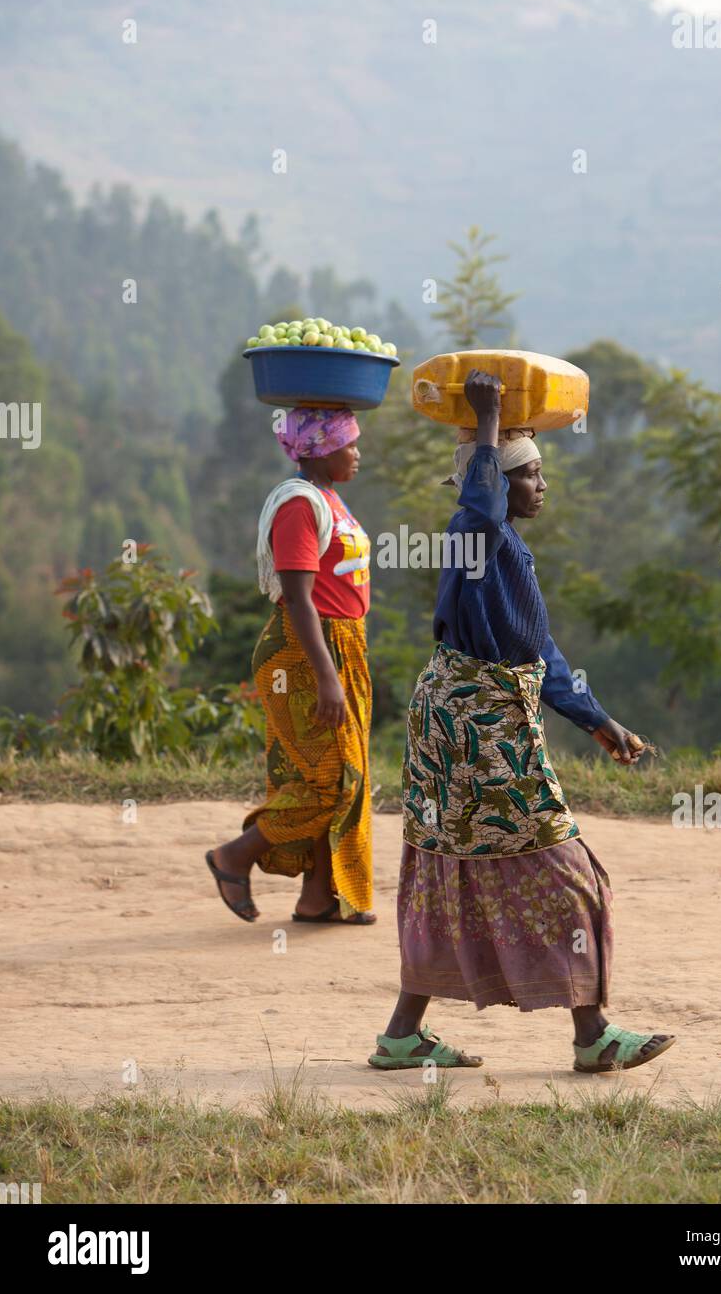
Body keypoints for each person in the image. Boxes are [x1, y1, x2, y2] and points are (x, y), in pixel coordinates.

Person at [369, 371, 676, 1071]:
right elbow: (476, 509)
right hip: (478, 731)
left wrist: (596, 719)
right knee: (568, 873)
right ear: (498, 482)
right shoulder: (476, 533)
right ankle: (592, 1037)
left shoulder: (505, 547)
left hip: (469, 721)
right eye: (531, 474)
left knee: (454, 865)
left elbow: (536, 648)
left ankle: (401, 1037)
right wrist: (487, 420)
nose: (544, 486)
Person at [206, 406, 375, 925]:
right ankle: (235, 855)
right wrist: (326, 676)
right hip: (304, 652)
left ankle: (319, 897)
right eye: (350, 444)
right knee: (334, 779)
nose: (358, 454)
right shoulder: (299, 505)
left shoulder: (330, 498)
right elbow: (299, 599)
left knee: (339, 769)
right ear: (323, 449)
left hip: (342, 642)